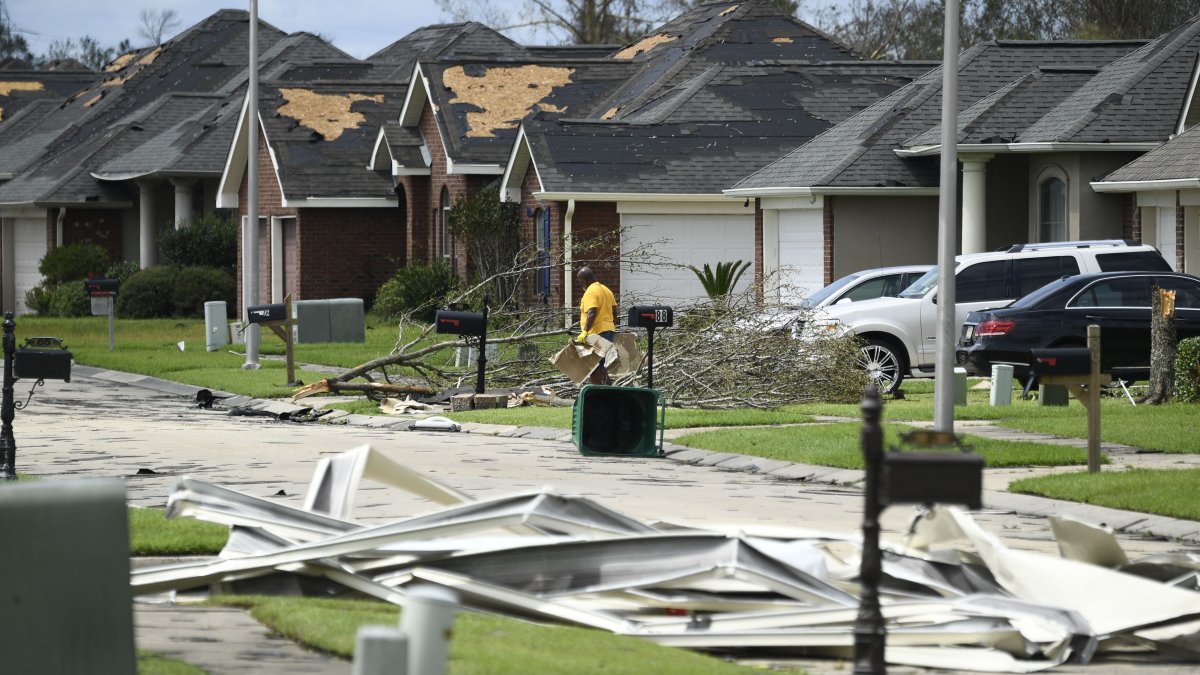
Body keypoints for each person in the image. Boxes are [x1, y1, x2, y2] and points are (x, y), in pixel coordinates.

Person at [576, 266, 616, 384]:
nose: (580, 284)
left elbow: (592, 311)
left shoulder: (590, 292)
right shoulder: (606, 290)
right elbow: (615, 312)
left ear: (585, 279)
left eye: (580, 281)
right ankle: (608, 388)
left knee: (593, 365)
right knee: (599, 363)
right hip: (609, 331)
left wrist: (585, 331)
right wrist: (612, 326)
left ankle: (599, 392)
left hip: (597, 332)